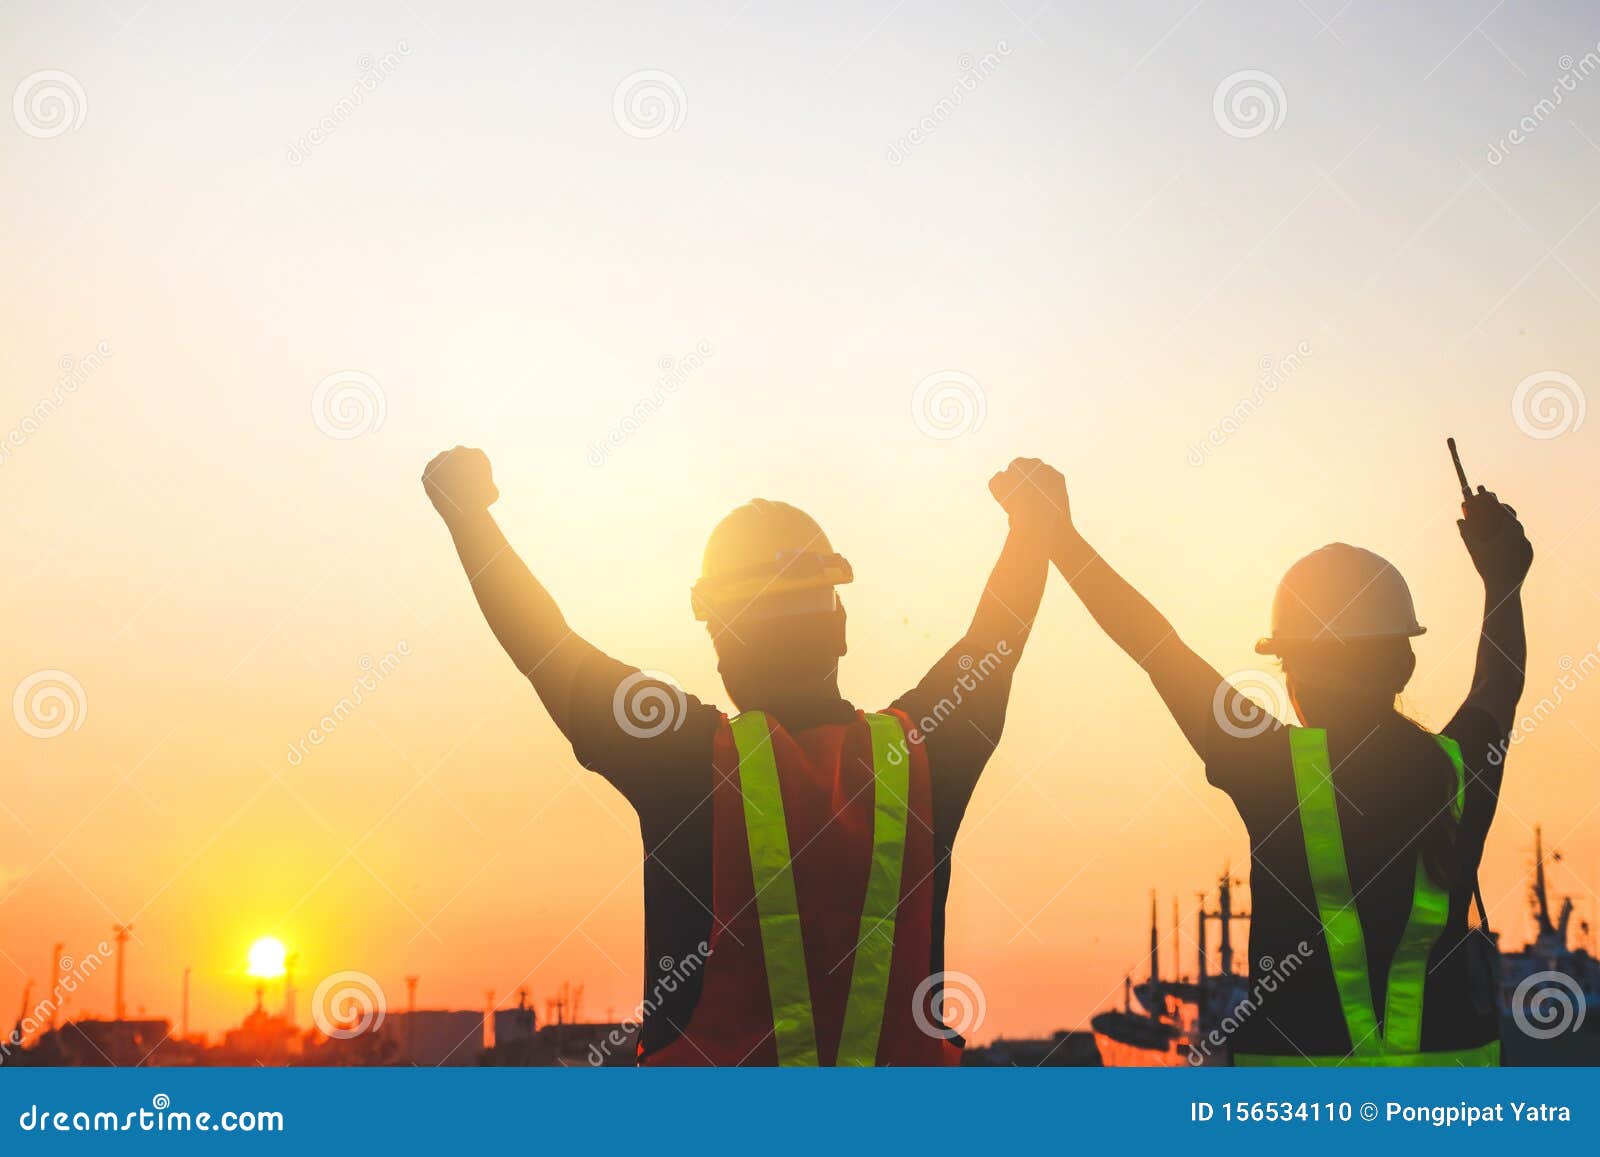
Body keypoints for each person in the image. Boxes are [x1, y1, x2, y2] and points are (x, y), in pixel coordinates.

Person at [422, 447, 1060, 1065]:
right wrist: (1033, 528)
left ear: (723, 644)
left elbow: (548, 649)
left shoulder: (681, 761)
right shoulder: (925, 755)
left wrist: (468, 516)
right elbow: (996, 640)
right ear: (840, 628)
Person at [1034, 471, 1532, 1066]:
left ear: (1293, 676)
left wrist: (1059, 537)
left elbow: (1156, 647)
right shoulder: (1459, 770)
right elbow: (1498, 681)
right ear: (1402, 665)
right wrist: (1503, 579)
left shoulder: (1271, 770)